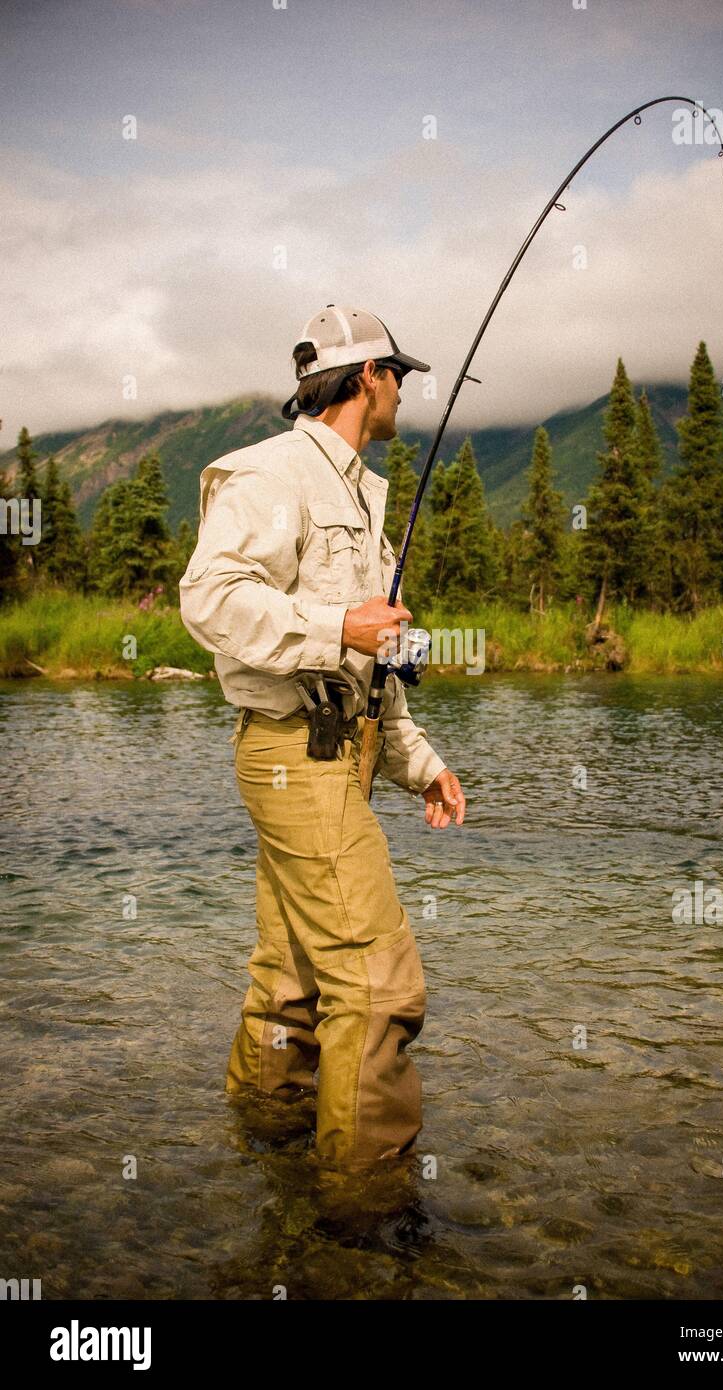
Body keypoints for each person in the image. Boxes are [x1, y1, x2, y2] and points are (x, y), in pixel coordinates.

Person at [179, 305, 466, 1168]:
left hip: (341, 750)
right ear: (368, 377)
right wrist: (341, 623)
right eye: (400, 377)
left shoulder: (354, 490)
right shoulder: (271, 474)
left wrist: (418, 761)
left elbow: (371, 655)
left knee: (293, 974)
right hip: (291, 755)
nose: (406, 394)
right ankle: (363, 1211)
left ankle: (266, 1137)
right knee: (378, 988)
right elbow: (212, 600)